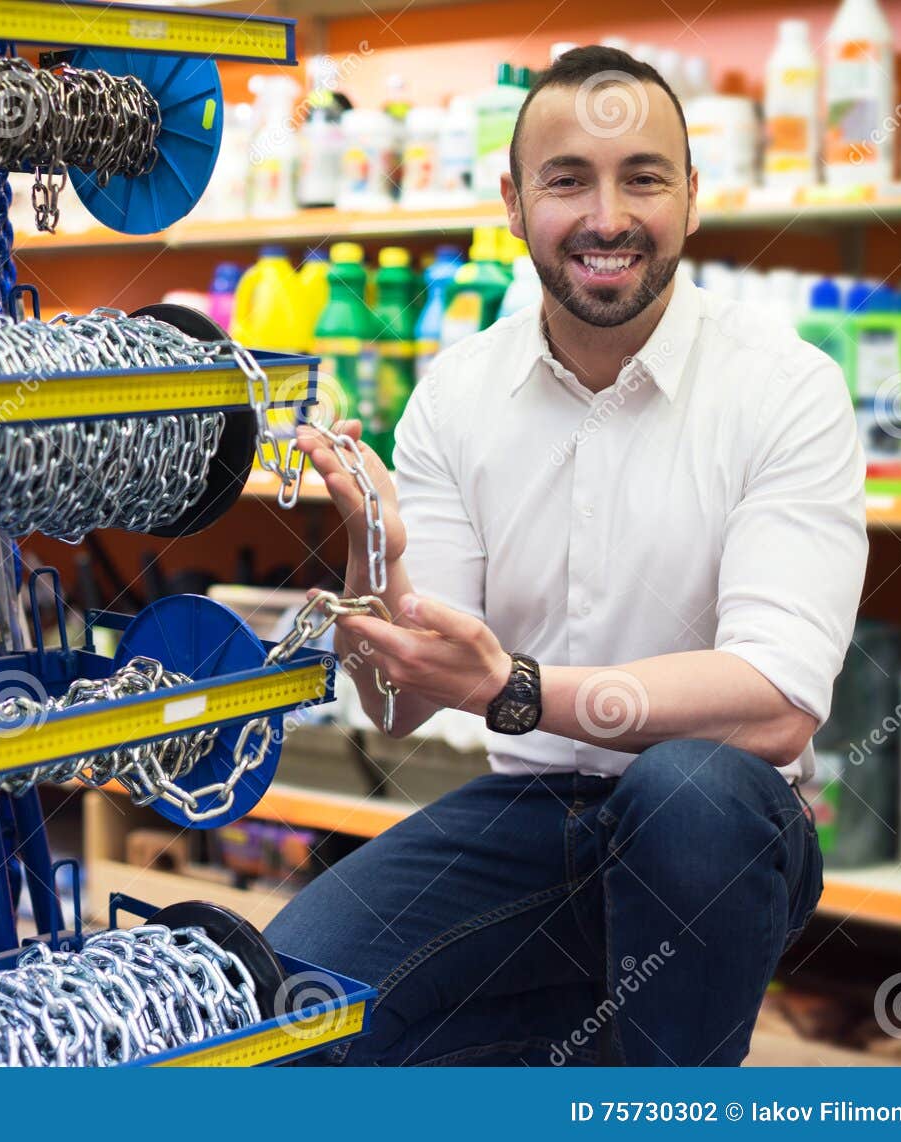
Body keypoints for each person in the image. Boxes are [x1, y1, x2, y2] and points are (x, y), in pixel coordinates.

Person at [265, 45, 866, 1066]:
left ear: (690, 198)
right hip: (532, 816)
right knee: (283, 1008)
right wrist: (379, 562)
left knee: (683, 796)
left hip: (720, 824)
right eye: (566, 179)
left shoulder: (786, 389)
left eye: (642, 176)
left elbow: (776, 698)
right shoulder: (456, 394)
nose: (606, 216)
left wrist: (514, 689)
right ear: (509, 201)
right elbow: (399, 704)